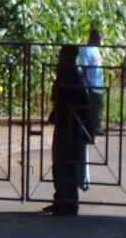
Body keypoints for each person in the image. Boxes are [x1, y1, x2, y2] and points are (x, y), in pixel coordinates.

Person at [45, 44, 93, 216]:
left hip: (71, 127)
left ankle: (69, 203)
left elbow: (82, 104)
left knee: (68, 165)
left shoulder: (74, 76)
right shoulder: (66, 74)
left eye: (62, 55)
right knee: (60, 164)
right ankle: (61, 199)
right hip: (64, 124)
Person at [78, 26, 106, 139]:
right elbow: (84, 68)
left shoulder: (96, 49)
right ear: (93, 38)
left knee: (99, 105)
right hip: (92, 83)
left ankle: (96, 126)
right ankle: (94, 128)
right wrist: (88, 84)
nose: (100, 40)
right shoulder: (86, 50)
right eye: (98, 38)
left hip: (99, 82)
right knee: (95, 106)